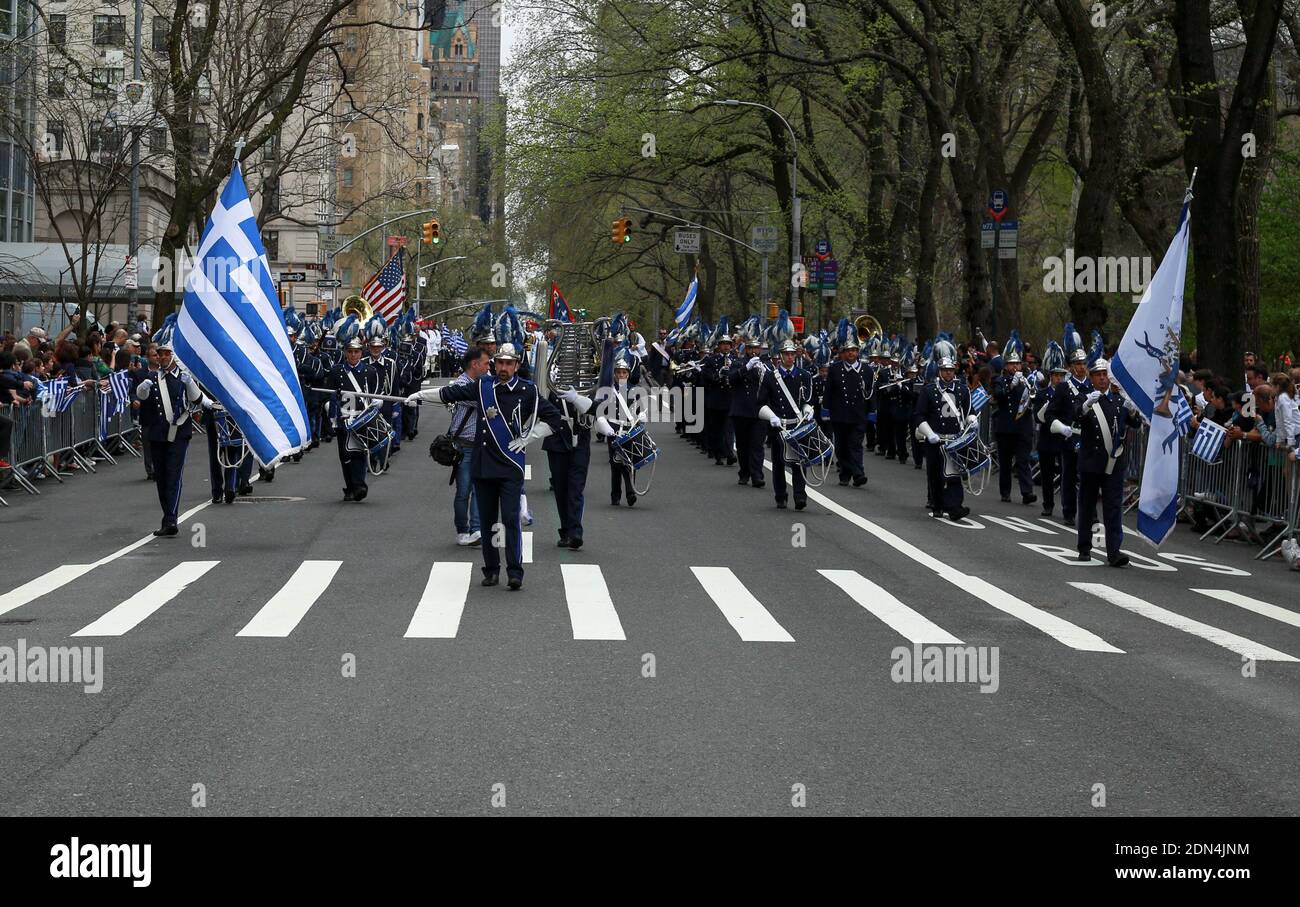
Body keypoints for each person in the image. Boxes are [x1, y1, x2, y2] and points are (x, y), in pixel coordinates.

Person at [412, 343, 563, 590]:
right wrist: (420, 395)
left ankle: (515, 572)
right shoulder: (483, 387)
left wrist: (528, 438)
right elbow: (452, 394)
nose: (504, 367)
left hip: (511, 465)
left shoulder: (527, 391)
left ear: (516, 365)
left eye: (509, 363)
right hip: (484, 465)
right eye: (500, 363)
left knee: (511, 519)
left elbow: (554, 418)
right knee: (489, 522)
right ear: (495, 364)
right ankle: (491, 569)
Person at [135, 339, 202, 536]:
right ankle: (167, 515)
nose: (163, 357)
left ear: (173, 356)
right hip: (157, 434)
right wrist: (144, 387)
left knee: (173, 475)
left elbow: (196, 399)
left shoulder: (183, 377)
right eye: (160, 354)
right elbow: (141, 396)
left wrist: (189, 384)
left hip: (179, 433)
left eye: (166, 354)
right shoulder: (152, 377)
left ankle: (171, 519)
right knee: (162, 478)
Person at [1075, 358, 1134, 567]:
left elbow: (1133, 422)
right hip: (1091, 462)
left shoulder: (1118, 401)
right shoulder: (1086, 398)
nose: (1101, 378)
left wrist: (1132, 407)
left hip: (1113, 463)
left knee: (1113, 507)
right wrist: (1085, 405)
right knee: (1087, 506)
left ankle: (1114, 551)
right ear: (1091, 378)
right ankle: (1084, 547)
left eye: (1104, 375)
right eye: (1097, 375)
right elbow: (1076, 416)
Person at [914, 342, 974, 521]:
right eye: (945, 370)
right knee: (936, 474)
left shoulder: (963, 390)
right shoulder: (929, 390)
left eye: (951, 370)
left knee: (954, 475)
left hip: (955, 440)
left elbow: (969, 411)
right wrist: (929, 433)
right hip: (936, 439)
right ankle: (938, 504)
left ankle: (955, 507)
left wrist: (972, 421)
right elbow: (919, 415)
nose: (948, 373)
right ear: (939, 371)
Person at [758, 339, 814, 510]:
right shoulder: (770, 377)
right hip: (778, 426)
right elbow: (761, 402)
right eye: (786, 354)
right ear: (780, 356)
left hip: (797, 425)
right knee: (779, 462)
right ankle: (780, 496)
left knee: (799, 461)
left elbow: (807, 400)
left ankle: (799, 495)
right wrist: (771, 416)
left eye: (792, 354)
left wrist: (807, 409)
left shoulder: (804, 375)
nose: (790, 357)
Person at [323, 337, 381, 501]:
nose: (353, 355)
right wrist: (331, 413)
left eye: (356, 352)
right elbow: (329, 393)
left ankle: (359, 485)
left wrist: (376, 405)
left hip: (362, 418)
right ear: (345, 353)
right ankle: (349, 486)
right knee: (345, 454)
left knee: (359, 453)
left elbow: (374, 393)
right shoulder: (336, 371)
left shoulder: (369, 371)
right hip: (343, 418)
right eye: (350, 352)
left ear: (361, 353)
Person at [544, 380, 594, 548]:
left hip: (580, 442)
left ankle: (575, 532)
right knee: (561, 489)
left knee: (576, 488)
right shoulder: (554, 388)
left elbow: (597, 410)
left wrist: (577, 398)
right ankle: (565, 530)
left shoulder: (590, 386)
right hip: (557, 442)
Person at [990, 331, 1037, 505]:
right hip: (1005, 428)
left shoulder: (1026, 379)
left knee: (1023, 461)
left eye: (1017, 363)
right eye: (1011, 364)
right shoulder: (999, 380)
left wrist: (1030, 386)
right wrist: (1012, 385)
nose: (1015, 367)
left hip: (1022, 427)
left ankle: (1027, 492)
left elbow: (1034, 397)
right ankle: (1005, 492)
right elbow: (1000, 396)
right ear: (1005, 365)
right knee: (1005, 462)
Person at [824, 333, 874, 487]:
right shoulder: (835, 369)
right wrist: (825, 411)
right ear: (843, 353)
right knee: (842, 446)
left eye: (854, 350)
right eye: (848, 350)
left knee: (856, 444)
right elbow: (829, 391)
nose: (851, 353)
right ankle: (845, 473)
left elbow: (871, 393)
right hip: (840, 414)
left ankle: (859, 473)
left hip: (858, 414)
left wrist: (872, 413)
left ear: (858, 352)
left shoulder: (867, 370)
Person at [597, 358, 645, 506]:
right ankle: (616, 494)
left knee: (631, 461)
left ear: (628, 374)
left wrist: (641, 421)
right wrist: (605, 426)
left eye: (624, 372)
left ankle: (631, 490)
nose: (621, 375)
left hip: (630, 429)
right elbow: (601, 410)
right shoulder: (608, 390)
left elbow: (640, 411)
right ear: (614, 374)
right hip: (614, 429)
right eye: (618, 372)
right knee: (616, 462)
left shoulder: (635, 390)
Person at [728, 338, 770, 488]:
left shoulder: (765, 364)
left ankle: (757, 475)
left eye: (756, 348)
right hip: (741, 411)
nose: (754, 351)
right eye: (751, 348)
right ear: (746, 349)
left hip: (759, 411)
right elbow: (731, 379)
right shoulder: (738, 363)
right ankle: (744, 472)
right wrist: (746, 367)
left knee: (757, 445)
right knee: (743, 445)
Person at [1034, 342, 1068, 518]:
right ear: (1050, 376)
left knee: (1065, 475)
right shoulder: (1041, 394)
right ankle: (1048, 504)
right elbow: (1038, 418)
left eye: (1061, 375)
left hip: (1062, 439)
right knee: (1047, 475)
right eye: (1056, 376)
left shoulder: (1068, 393)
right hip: (1047, 438)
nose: (1059, 379)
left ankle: (1066, 506)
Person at [701, 333, 737, 466]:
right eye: (723, 344)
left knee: (728, 428)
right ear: (719, 346)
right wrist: (718, 374)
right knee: (716, 429)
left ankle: (729, 454)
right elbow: (706, 377)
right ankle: (717, 453)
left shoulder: (735, 359)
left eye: (728, 344)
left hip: (730, 398)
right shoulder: (711, 360)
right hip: (716, 399)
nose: (726, 347)